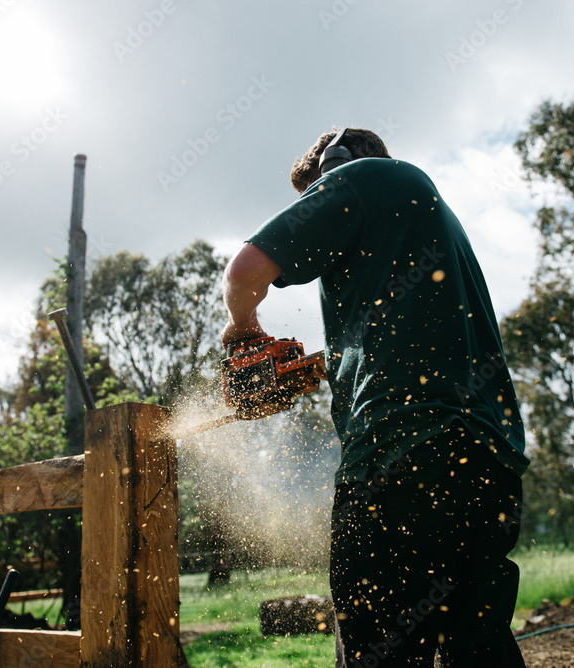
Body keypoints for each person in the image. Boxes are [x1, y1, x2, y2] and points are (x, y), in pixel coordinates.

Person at [221, 127, 529, 667]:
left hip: (402, 459)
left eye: (314, 196)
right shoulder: (428, 221)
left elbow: (245, 272)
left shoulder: (359, 176)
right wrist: (319, 367)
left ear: (334, 167)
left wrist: (242, 330)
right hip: (486, 460)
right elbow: (398, 336)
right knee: (479, 652)